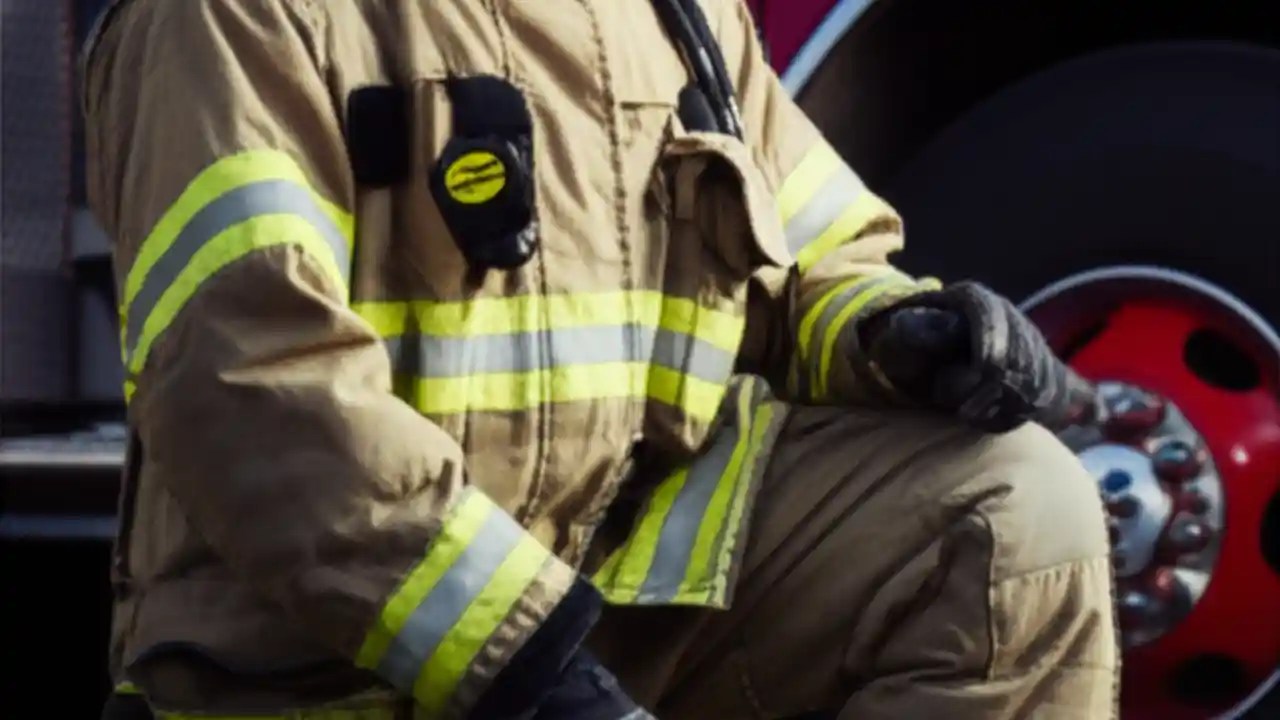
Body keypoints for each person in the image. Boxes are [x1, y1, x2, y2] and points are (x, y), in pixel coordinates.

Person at [82, 0, 1118, 718]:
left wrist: (890, 335)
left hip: (601, 617)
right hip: (336, 666)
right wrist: (524, 663)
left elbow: (808, 254)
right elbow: (255, 394)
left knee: (1004, 516)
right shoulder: (220, 21)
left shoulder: (669, 15)